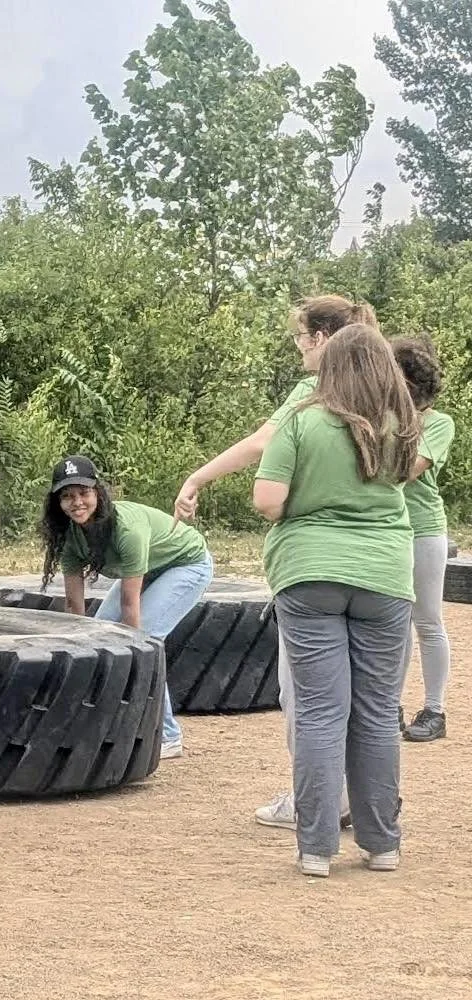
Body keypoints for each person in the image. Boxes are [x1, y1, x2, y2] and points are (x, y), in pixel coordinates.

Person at [174, 295, 376, 829]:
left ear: (322, 338)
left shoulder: (312, 394)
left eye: (300, 338)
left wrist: (197, 477)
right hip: (383, 565)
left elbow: (265, 447)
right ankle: (366, 804)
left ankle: (317, 801)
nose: (299, 348)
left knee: (302, 691)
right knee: (367, 696)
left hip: (313, 564)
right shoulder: (384, 389)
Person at [254, 323, 420, 877]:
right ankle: (382, 845)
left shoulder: (301, 421)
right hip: (384, 576)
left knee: (321, 713)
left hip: (309, 574)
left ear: (329, 364)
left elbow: (268, 501)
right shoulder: (402, 424)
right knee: (377, 714)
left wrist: (310, 503)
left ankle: (316, 849)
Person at [41, 456, 213, 759]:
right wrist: (77, 652)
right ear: (58, 503)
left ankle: (168, 735)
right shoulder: (72, 537)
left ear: (98, 492)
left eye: (83, 493)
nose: (77, 502)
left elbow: (129, 604)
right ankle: (108, 724)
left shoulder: (126, 529)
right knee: (99, 635)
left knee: (145, 639)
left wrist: (133, 653)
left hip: (185, 564)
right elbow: (73, 605)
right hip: (149, 567)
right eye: (67, 496)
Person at [394, 336, 455, 743]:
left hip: (423, 529)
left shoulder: (439, 423)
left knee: (428, 620)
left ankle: (435, 709)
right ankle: (389, 705)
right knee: (394, 621)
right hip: (387, 530)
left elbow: (409, 468)